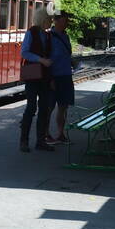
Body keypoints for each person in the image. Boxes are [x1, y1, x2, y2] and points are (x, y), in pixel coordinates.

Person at [19, 9, 55, 152]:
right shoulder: (31, 32)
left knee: (44, 108)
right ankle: (24, 141)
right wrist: (40, 60)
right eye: (49, 19)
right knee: (31, 107)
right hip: (33, 75)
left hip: (45, 76)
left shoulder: (47, 35)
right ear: (42, 19)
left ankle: (40, 141)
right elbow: (25, 52)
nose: (51, 22)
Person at [46, 10, 76, 145]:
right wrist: (50, 78)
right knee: (49, 107)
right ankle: (46, 134)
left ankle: (60, 133)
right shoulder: (48, 37)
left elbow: (66, 54)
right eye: (64, 21)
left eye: (67, 21)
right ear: (56, 21)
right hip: (54, 76)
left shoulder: (66, 36)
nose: (66, 24)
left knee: (63, 107)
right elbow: (46, 59)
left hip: (65, 75)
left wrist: (71, 62)